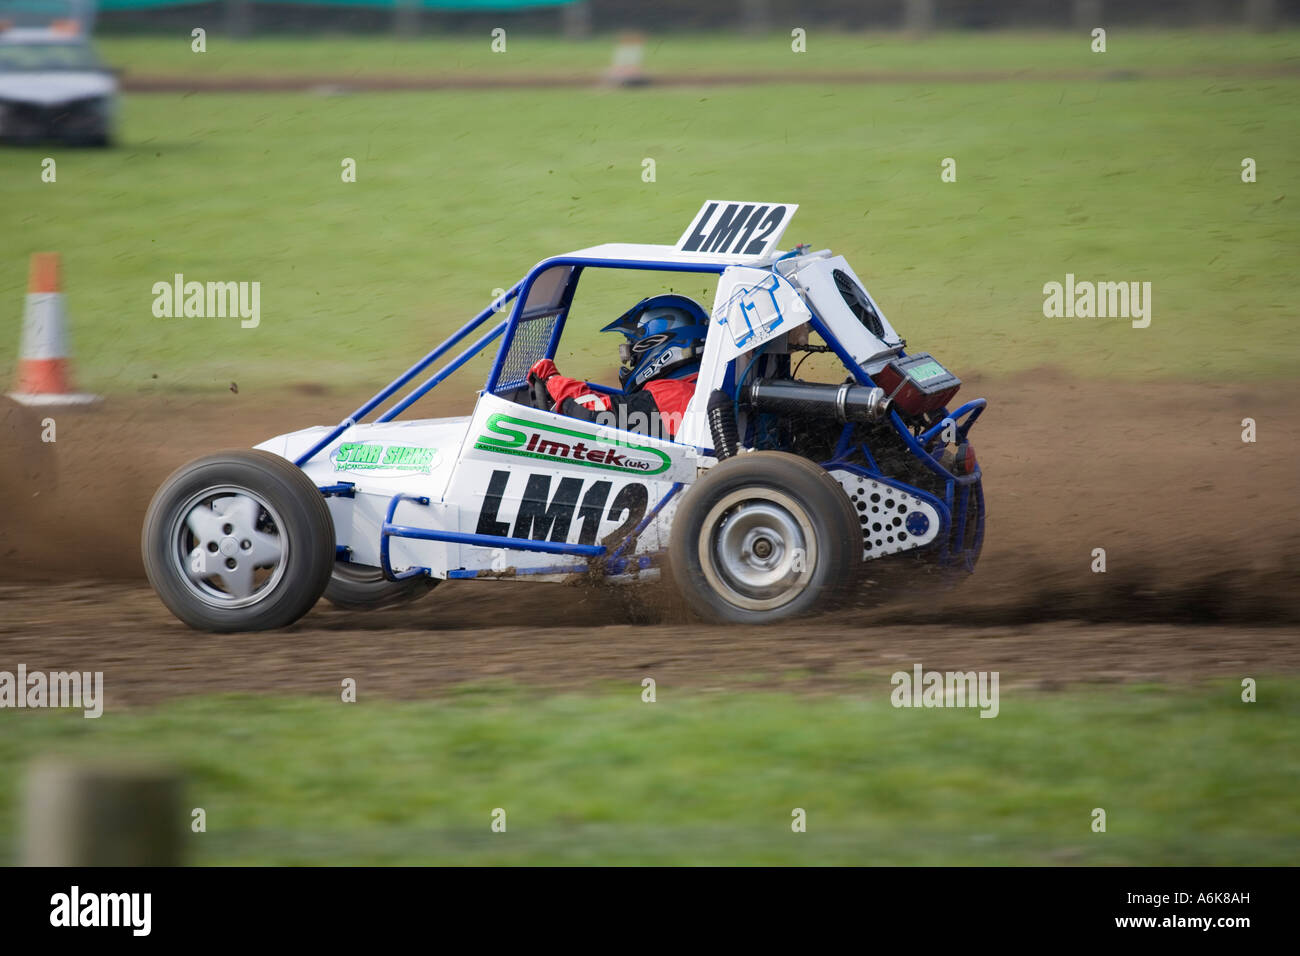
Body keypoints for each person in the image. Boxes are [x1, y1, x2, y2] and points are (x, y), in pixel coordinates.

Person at [527, 294, 708, 440]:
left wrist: (551, 379)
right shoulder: (699, 387)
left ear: (656, 346)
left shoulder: (671, 395)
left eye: (631, 353)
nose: (630, 361)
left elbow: (590, 414)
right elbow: (621, 409)